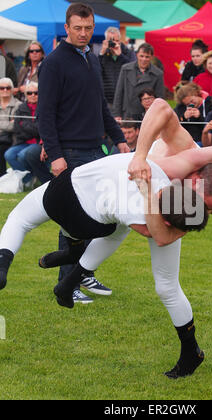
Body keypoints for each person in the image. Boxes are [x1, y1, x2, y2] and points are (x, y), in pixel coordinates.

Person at [0, 98, 212, 380]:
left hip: (153, 208)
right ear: (196, 176)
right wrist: (140, 156)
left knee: (165, 286)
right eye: (203, 202)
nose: (202, 208)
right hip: (120, 185)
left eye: (208, 209)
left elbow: (161, 235)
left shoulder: (193, 198)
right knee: (108, 223)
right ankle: (73, 272)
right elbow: (163, 107)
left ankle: (191, 351)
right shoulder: (184, 152)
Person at [37, 2, 129, 304]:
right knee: (73, 221)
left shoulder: (91, 57)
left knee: (101, 217)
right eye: (77, 28)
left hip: (96, 150)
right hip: (70, 153)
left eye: (88, 28)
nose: (83, 33)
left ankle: (83, 273)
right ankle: (68, 283)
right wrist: (55, 154)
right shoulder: (52, 63)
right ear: (66, 28)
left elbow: (100, 106)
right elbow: (45, 114)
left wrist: (119, 140)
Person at [113, 43, 164, 120]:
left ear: (151, 57)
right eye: (141, 56)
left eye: (147, 57)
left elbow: (159, 98)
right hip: (127, 113)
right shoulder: (125, 69)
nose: (144, 59)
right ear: (137, 55)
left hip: (146, 115)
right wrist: (117, 114)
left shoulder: (158, 74)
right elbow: (119, 93)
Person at [4, 82, 40, 188]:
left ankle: (27, 179)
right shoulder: (21, 108)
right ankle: (28, 177)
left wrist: (25, 125)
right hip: (23, 141)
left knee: (22, 155)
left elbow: (41, 129)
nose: (33, 95)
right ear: (25, 94)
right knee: (9, 155)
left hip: (38, 142)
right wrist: (32, 128)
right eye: (29, 93)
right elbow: (17, 127)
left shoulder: (44, 107)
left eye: (36, 93)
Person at [99, 26, 136, 110]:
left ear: (120, 40)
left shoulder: (128, 53)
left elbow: (133, 70)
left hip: (125, 99)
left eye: (116, 40)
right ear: (105, 41)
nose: (114, 43)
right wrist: (102, 53)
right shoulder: (102, 54)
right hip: (107, 100)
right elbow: (96, 71)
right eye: (111, 41)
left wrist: (120, 56)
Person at [0, 77, 22, 177]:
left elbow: (15, 126)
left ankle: (2, 176)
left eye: (8, 88)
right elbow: (10, 124)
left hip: (12, 138)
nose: (5, 90)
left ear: (12, 90)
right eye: (2, 88)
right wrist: (7, 122)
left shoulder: (18, 105)